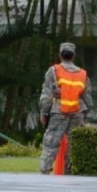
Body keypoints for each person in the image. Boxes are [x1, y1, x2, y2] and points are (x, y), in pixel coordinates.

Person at [38, 42, 92, 175]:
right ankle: (70, 170)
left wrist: (44, 112)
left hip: (59, 110)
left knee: (51, 141)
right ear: (73, 56)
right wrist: (86, 115)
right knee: (74, 143)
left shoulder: (54, 70)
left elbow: (47, 94)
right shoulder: (83, 74)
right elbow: (88, 98)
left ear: (60, 55)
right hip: (77, 111)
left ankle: (45, 170)